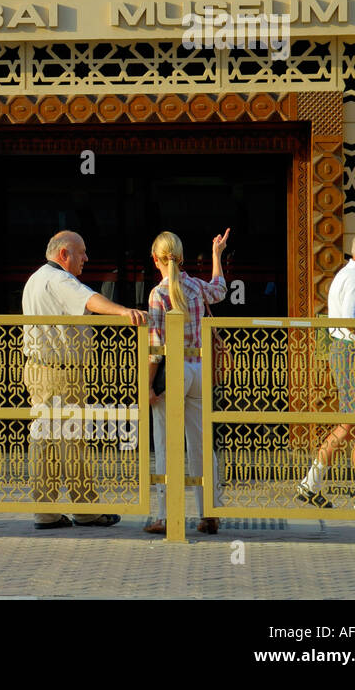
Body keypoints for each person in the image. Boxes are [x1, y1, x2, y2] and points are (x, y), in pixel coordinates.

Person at [22, 230, 147, 530]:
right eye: (82, 252)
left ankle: (46, 511)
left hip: (38, 369)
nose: (86, 259)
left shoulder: (35, 279)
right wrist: (123, 311)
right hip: (61, 373)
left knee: (45, 440)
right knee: (72, 440)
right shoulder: (60, 279)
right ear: (64, 254)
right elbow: (90, 300)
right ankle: (85, 508)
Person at [296, 231, 355, 510]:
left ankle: (311, 483)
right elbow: (352, 321)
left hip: (353, 354)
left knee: (352, 423)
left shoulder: (353, 276)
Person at [144, 228, 230, 536]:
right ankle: (209, 512)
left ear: (156, 259)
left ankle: (166, 517)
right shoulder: (194, 285)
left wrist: (147, 385)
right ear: (180, 257)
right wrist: (216, 255)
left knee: (166, 445)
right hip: (200, 369)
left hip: (174, 374)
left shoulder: (159, 294)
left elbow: (155, 348)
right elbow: (219, 290)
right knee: (201, 444)